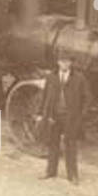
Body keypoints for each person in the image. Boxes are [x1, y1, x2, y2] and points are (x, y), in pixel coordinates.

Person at [40, 56, 87, 184]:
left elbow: (86, 99)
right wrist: (42, 114)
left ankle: (72, 175)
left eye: (67, 62)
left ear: (71, 63)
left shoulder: (79, 78)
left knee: (70, 145)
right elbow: (45, 96)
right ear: (58, 62)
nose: (64, 64)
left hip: (70, 117)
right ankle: (50, 171)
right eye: (62, 61)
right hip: (54, 116)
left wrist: (80, 117)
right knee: (52, 144)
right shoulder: (51, 77)